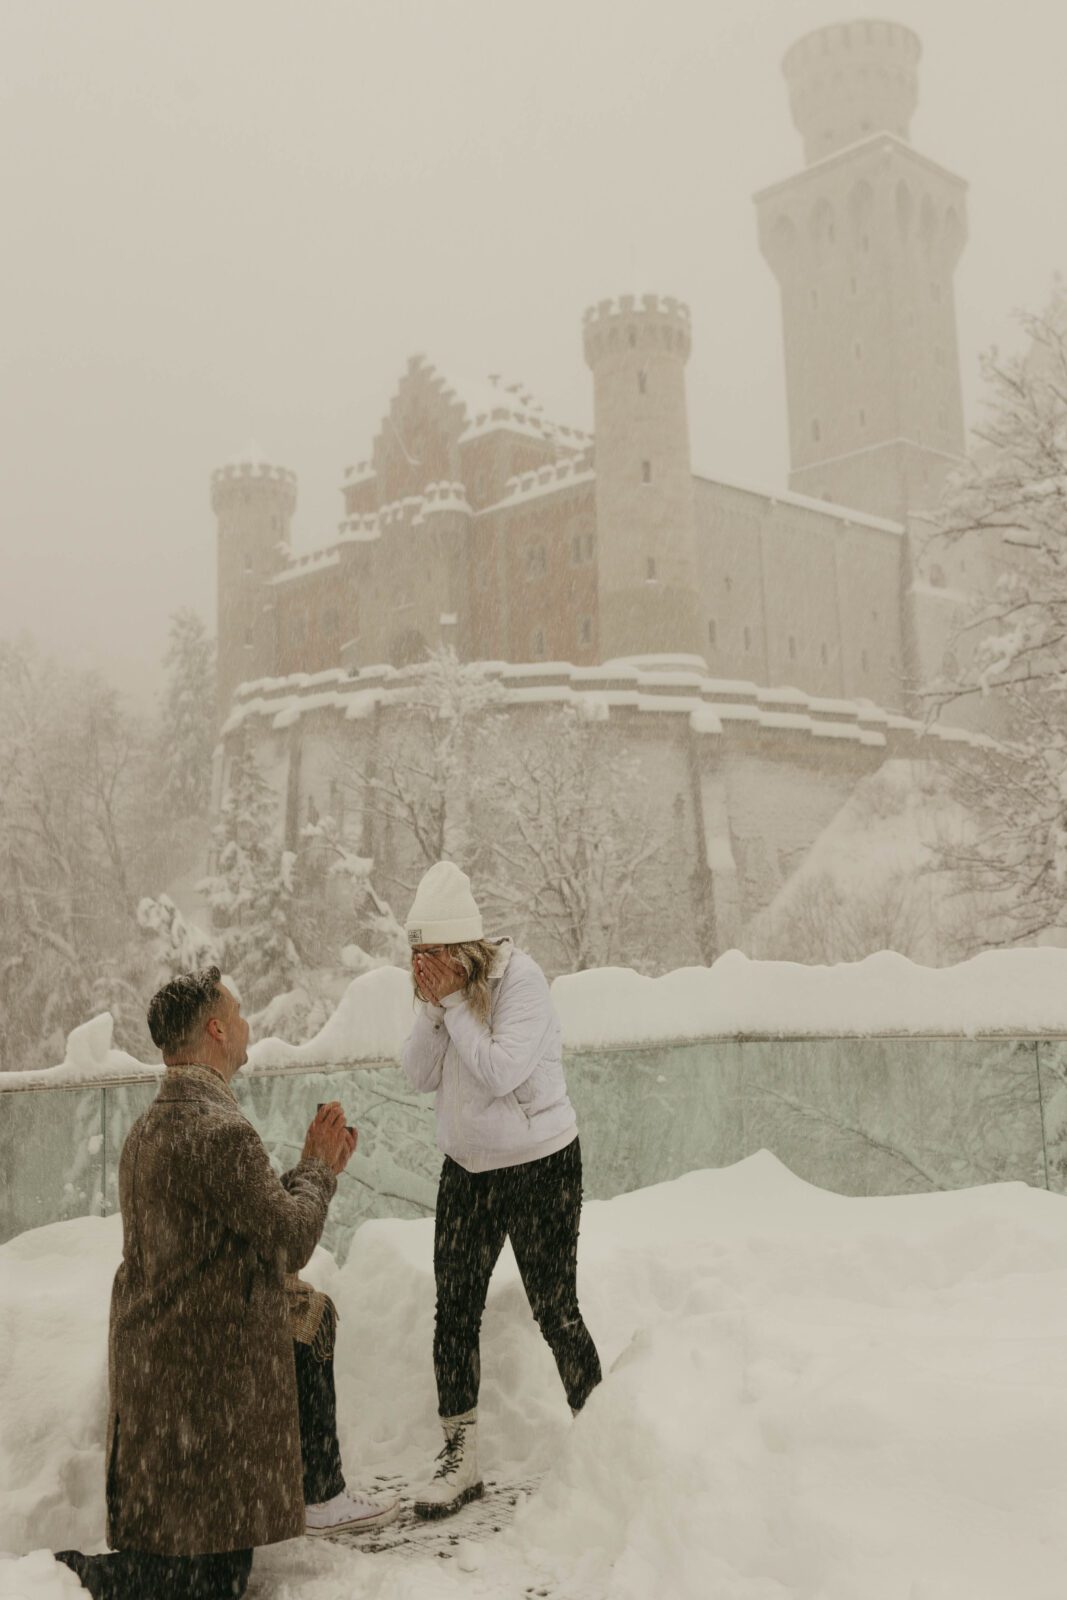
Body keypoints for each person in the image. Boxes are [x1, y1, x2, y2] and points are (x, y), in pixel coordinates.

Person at [54, 966, 396, 1600]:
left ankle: (98, 1573)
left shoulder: (153, 1125)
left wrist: (307, 1172)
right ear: (215, 1028)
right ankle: (63, 1576)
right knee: (208, 1579)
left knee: (206, 1570)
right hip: (201, 1384)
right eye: (237, 1015)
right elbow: (290, 1241)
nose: (245, 1027)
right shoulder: (219, 1131)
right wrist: (318, 1170)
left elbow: (256, 1226)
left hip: (166, 1376)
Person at [400, 861, 602, 1520]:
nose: (421, 968)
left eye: (431, 956)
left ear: (461, 950)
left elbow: (498, 1070)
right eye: (415, 958)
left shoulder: (522, 982)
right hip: (468, 1169)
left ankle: (604, 1441)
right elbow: (416, 1074)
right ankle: (459, 1460)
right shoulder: (443, 997)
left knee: (555, 1311)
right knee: (452, 1315)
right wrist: (435, 1011)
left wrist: (455, 1002)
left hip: (539, 1166)